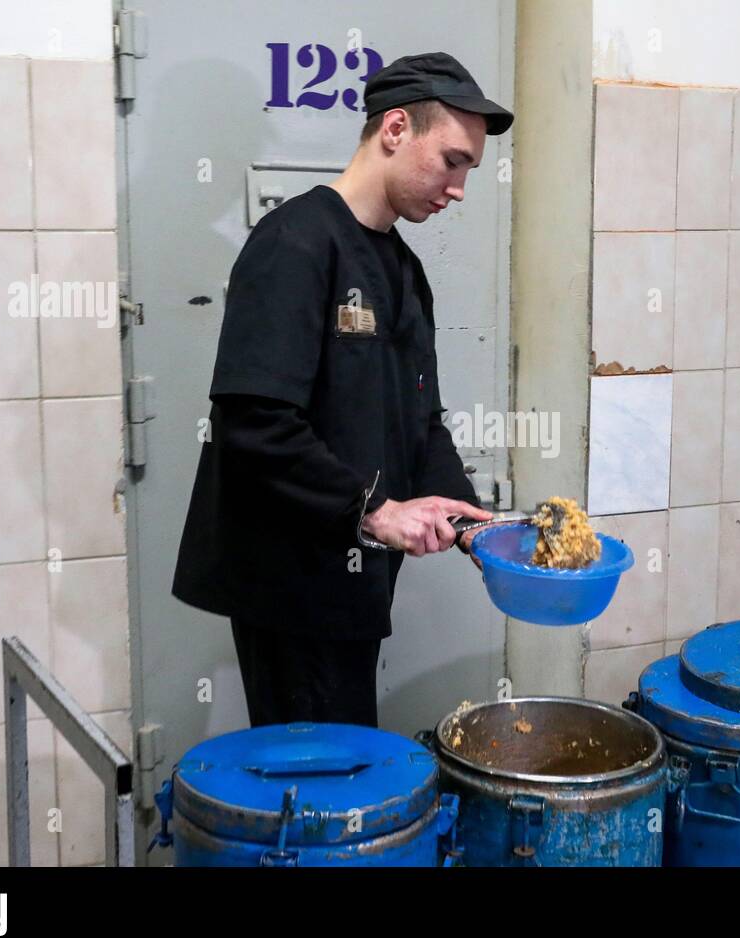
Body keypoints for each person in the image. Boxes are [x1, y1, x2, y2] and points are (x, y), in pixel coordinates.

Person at [171, 52, 514, 729]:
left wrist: (477, 527)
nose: (458, 189)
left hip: (356, 579)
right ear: (394, 129)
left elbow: (423, 424)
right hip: (291, 581)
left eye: (469, 169)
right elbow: (253, 422)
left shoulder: (402, 268)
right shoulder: (294, 243)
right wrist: (374, 510)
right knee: (324, 785)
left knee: (353, 755)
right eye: (451, 160)